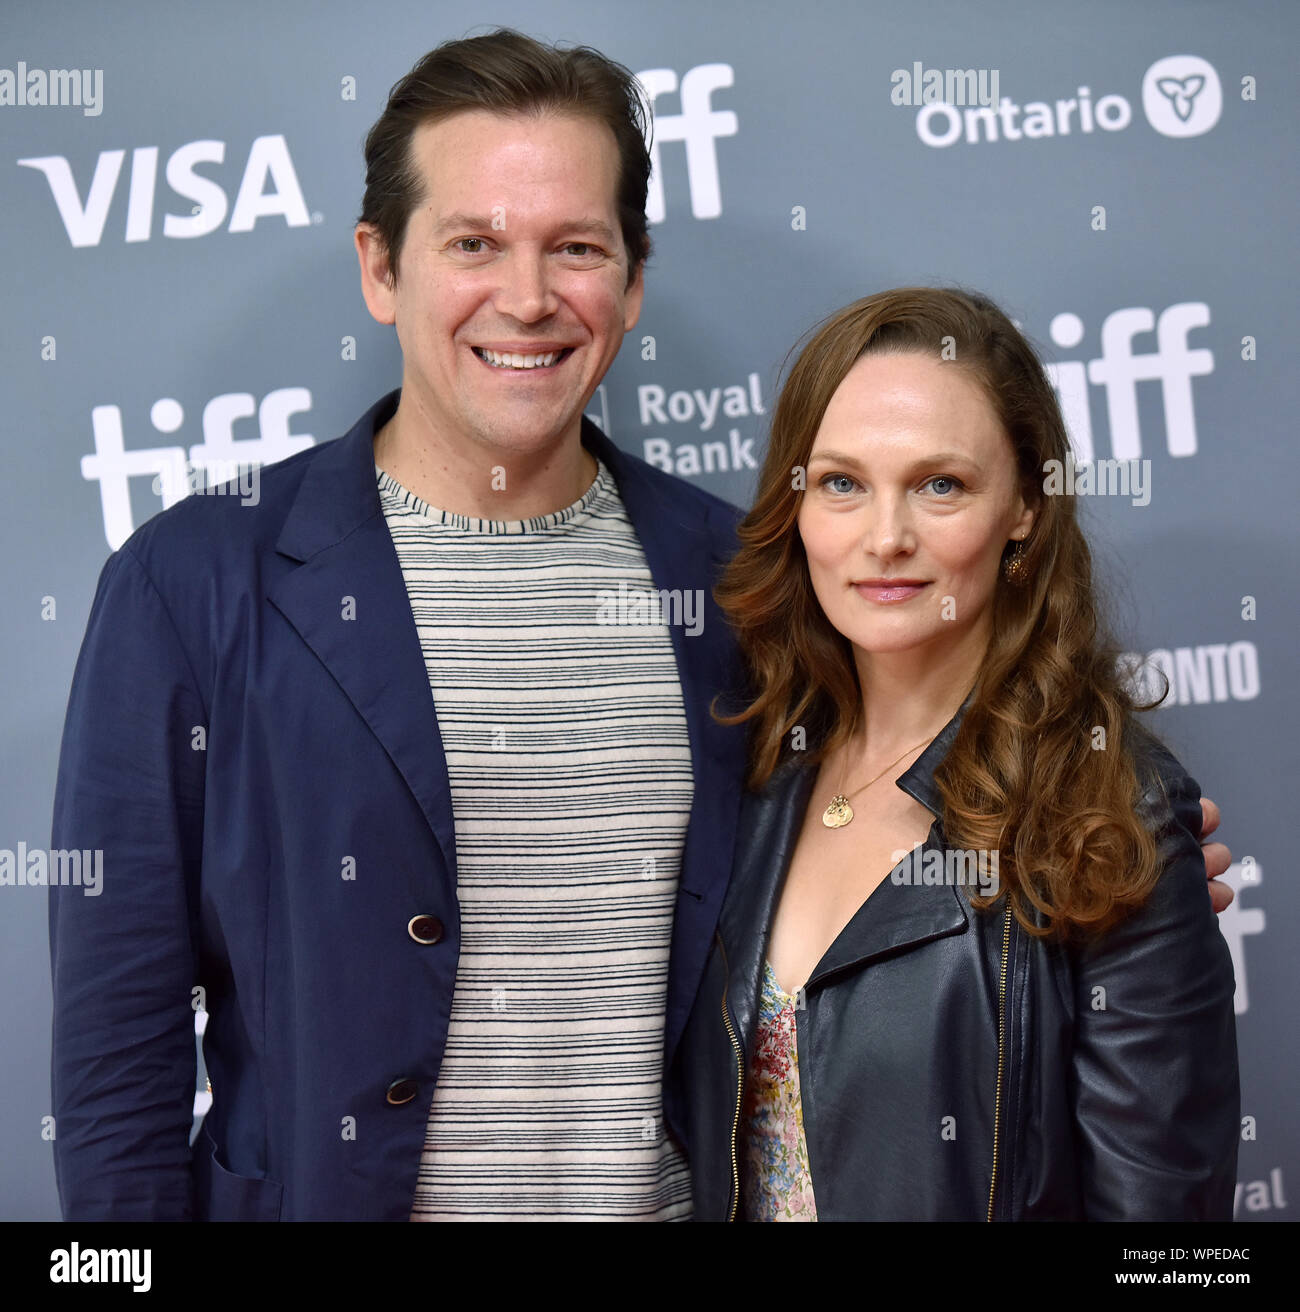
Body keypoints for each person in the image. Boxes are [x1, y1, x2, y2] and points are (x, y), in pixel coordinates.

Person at [48, 32, 1232, 1222]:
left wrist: (1125, 878)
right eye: (473, 243)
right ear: (379, 268)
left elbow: (905, 823)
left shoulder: (739, 581)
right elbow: (116, 1051)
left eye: (575, 247)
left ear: (631, 281)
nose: (526, 297)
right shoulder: (196, 584)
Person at [672, 287, 1240, 1221]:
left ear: (1023, 506)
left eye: (941, 484)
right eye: (842, 483)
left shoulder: (1108, 806)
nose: (884, 539)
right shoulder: (756, 767)